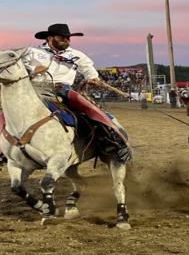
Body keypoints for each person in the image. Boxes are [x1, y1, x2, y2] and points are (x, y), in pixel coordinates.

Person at [23, 23, 133, 162]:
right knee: (1, 110)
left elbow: (88, 67)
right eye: (62, 37)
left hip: (62, 90)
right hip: (35, 90)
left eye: (68, 38)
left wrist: (92, 77)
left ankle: (114, 142)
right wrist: (33, 71)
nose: (67, 40)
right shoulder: (31, 52)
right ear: (50, 38)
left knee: (92, 110)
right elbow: (19, 70)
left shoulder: (76, 54)